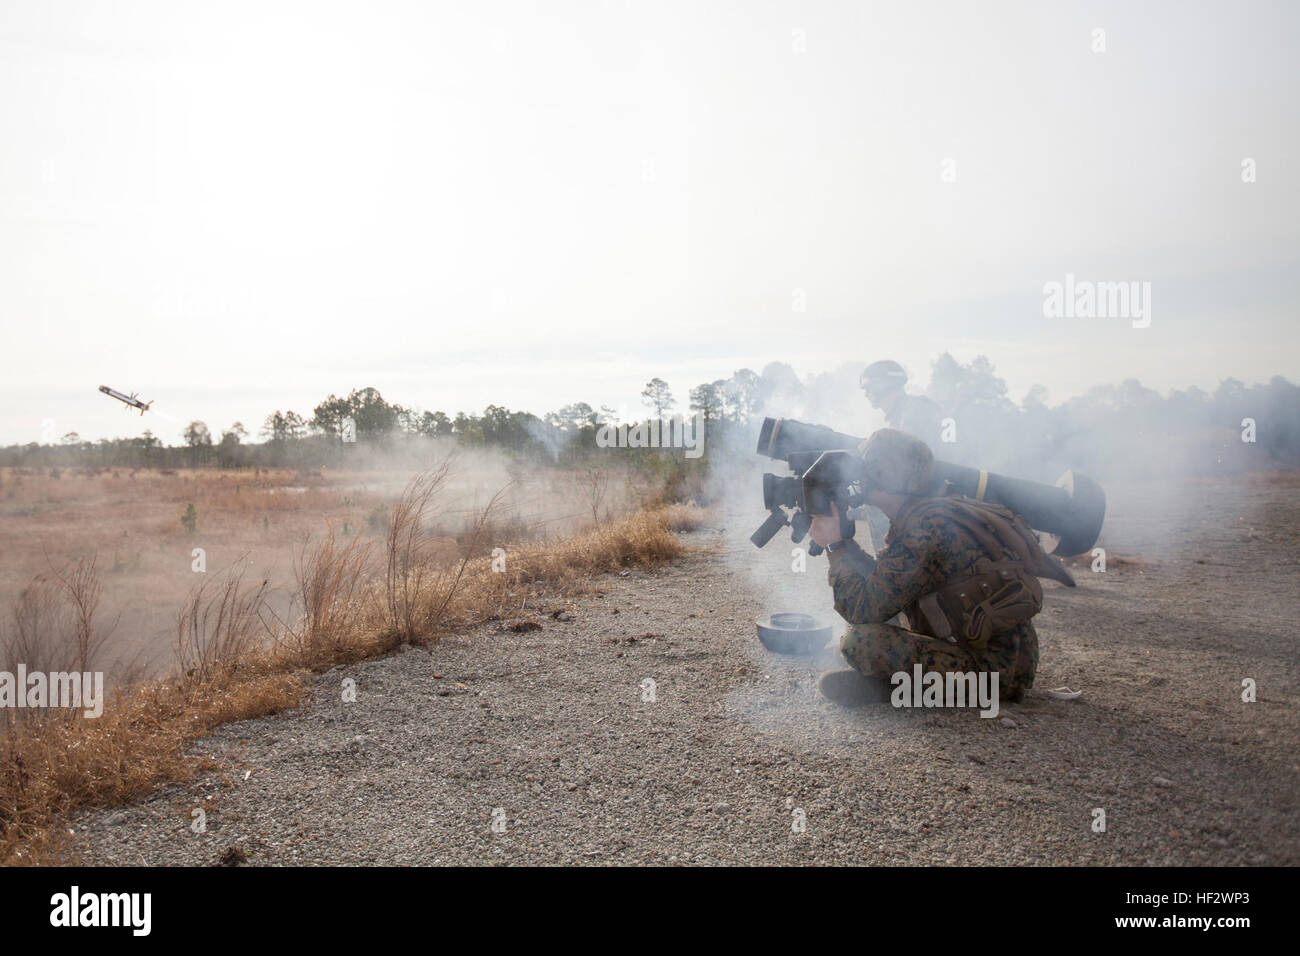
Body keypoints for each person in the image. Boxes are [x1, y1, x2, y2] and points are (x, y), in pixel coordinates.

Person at [810, 428, 1073, 707]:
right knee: (864, 636)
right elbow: (884, 585)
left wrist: (835, 546)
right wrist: (845, 545)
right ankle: (902, 686)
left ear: (883, 476)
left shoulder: (924, 530)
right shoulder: (932, 514)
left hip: (992, 677)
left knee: (859, 642)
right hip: (1008, 663)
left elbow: (862, 609)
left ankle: (898, 690)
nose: (857, 478)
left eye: (865, 469)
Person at [860, 360, 945, 449]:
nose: (866, 395)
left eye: (869, 389)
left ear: (882, 387)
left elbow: (907, 454)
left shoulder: (915, 411)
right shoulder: (901, 412)